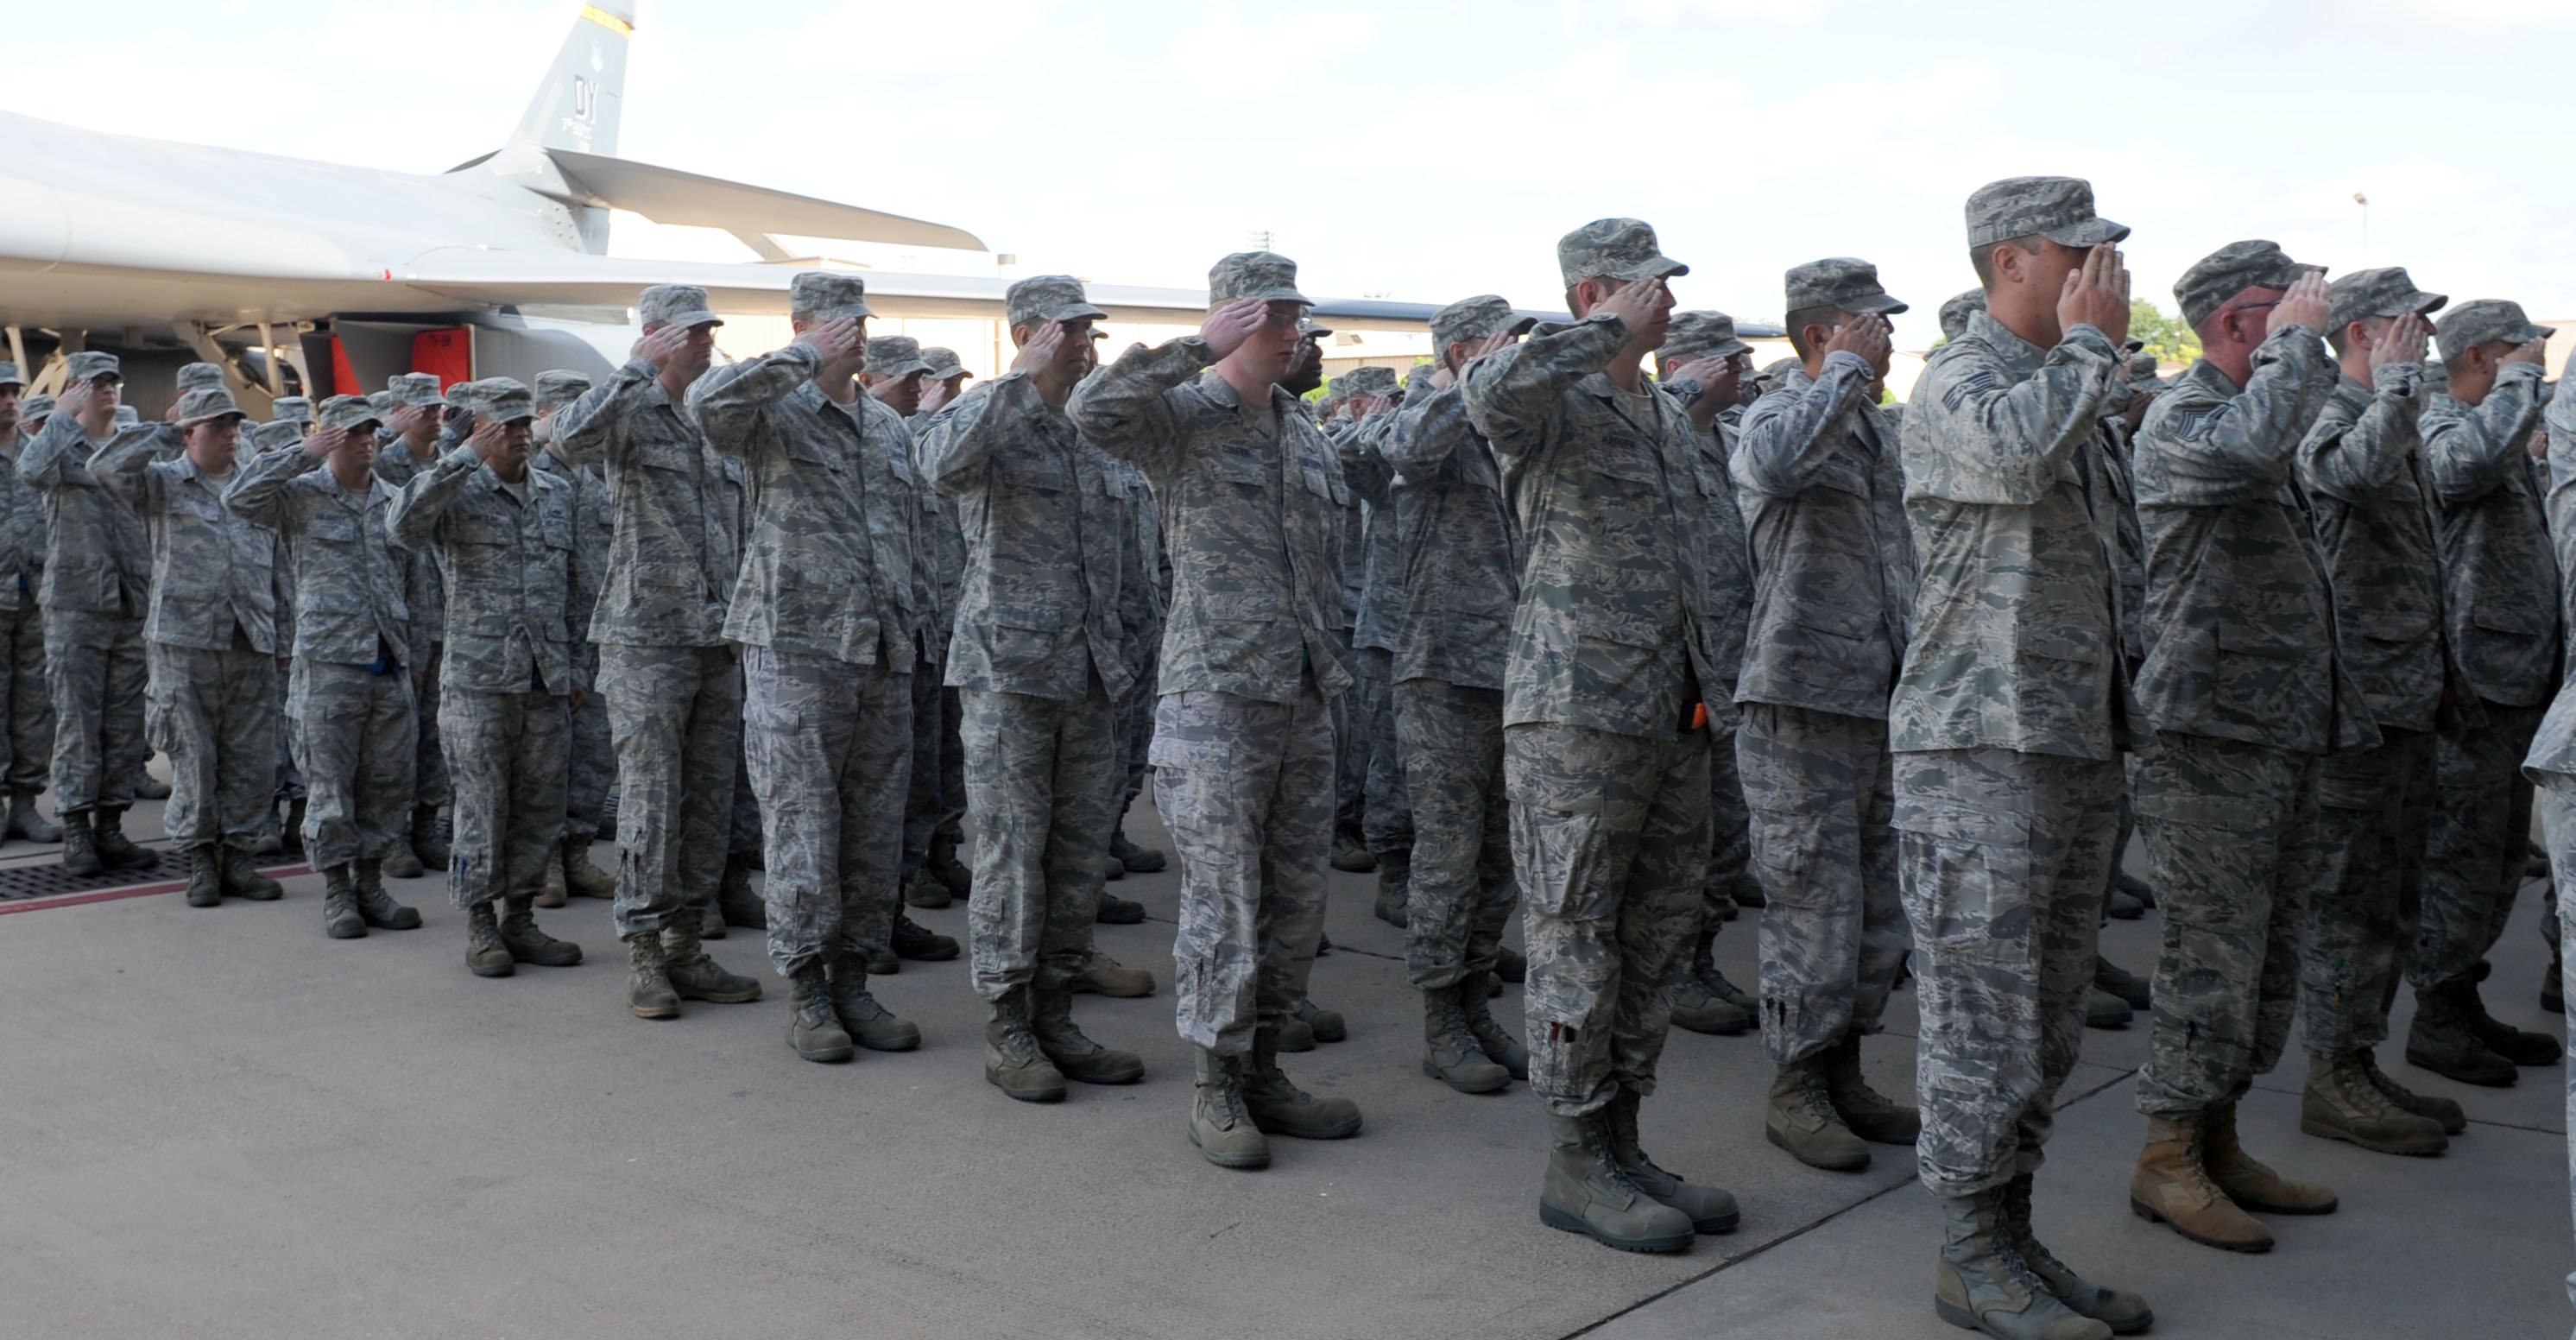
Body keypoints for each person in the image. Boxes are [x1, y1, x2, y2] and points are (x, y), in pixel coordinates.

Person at [1897, 177, 2150, 1338]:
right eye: (2080, 257)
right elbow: (2011, 461)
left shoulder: (2067, 388)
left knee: (2045, 1022)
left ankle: (2011, 1227)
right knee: (1980, 1023)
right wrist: (2094, 355)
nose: (2103, 281)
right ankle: (1965, 1254)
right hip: (1978, 754)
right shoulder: (1965, 380)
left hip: (2067, 743)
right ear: (2013, 261)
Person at [1461, 218, 1744, 1254]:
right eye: (1645, 286)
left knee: (1654, 931)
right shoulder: (1545, 391)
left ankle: (1623, 1135)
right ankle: (1574, 1156)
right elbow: (1486, 397)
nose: (1664, 301)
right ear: (1593, 291)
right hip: (1576, 707)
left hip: (1672, 706)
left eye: (1666, 285)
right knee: (1575, 932)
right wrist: (1593, 332)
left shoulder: (1658, 411)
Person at [1069, 251, 1364, 1172]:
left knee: (1291, 899)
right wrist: (1192, 349)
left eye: (1296, 317)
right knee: (1223, 903)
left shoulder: (1302, 429)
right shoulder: (1181, 417)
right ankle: (1217, 1081)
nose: (1294, 334)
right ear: (1235, 319)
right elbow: (1094, 412)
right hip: (1217, 694)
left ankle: (1267, 1066)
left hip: (1304, 690)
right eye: (1275, 317)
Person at [2124, 243, 2357, 1255]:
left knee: (2264, 958)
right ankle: (2165, 1152)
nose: (2310, 321)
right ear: (2233, 324)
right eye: (2285, 308)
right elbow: (2251, 451)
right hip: (2207, 733)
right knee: (2209, 956)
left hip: (2276, 729)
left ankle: (2217, 1136)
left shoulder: (2267, 411)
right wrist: (2301, 348)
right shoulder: (2185, 420)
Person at [688, 272, 933, 1062]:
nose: (855, 333)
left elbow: (910, 536)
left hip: (881, 652)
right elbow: (709, 408)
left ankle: (854, 978)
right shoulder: (771, 410)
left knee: (871, 830)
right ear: (801, 324)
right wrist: (798, 355)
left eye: (862, 320)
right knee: (801, 826)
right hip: (797, 647)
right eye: (837, 321)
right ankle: (807, 990)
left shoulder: (887, 428)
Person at [917, 274, 1149, 1103]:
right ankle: (1009, 1024)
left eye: (1090, 330)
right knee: (1014, 854)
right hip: (1010, 672)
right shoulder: (988, 414)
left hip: (1094, 671)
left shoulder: (1100, 431)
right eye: (1071, 330)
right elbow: (939, 467)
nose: (1087, 344)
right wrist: (1019, 373)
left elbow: (1134, 551)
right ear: (1029, 332)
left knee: (1079, 852)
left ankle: (1056, 1012)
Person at [1733, 258, 1922, 1172]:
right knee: (1811, 903)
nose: (1886, 339)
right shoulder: (1779, 412)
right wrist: (1842, 376)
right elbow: (1771, 467)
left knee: (1877, 908)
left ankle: (1842, 1063)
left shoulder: (1875, 432)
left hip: (1880, 693)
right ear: (1822, 333)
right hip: (1799, 698)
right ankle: (1794, 1081)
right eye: (1870, 325)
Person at [2292, 266, 2467, 1154]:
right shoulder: (2329, 415)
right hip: (2354, 703)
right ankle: (2329, 1073)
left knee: (2391, 893)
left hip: (2403, 694)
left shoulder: (2390, 416)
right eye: (2408, 324)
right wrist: (2395, 392)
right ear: (2361, 334)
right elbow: (2348, 481)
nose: (2424, 340)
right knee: (2344, 897)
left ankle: (2357, 1059)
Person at [550, 284, 761, 1020]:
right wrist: (633, 368)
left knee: (708, 801)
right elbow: (565, 441)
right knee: (650, 803)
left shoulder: (719, 419)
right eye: (691, 332)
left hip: (717, 637)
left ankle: (686, 946)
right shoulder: (629, 408)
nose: (707, 342)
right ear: (656, 336)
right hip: (645, 638)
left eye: (710, 330)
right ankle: (643, 953)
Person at [1373, 294, 1537, 1096]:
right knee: (1449, 854)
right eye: (1502, 346)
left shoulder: (1513, 432)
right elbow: (1404, 448)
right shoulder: (1430, 416)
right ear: (1467, 349)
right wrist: (1461, 378)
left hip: (1521, 670)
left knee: (1501, 857)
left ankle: (1477, 1001)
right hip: (1444, 670)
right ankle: (1442, 1019)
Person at [384, 377, 588, 979]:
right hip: (479, 680)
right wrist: (463, 456)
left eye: (525, 424)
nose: (520, 436)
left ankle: (519, 917)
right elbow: (403, 525)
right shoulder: (457, 490)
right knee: (480, 805)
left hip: (543, 678)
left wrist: (574, 666)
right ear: (479, 429)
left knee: (538, 806)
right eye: (505, 426)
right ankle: (480, 921)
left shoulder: (555, 493)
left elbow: (575, 587)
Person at [2412, 298, 2565, 1085]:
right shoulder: (2438, 418)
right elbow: (2458, 471)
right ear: (2479, 358)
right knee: (2462, 858)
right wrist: (2517, 387)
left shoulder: (2497, 428)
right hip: (2473, 681)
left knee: (2502, 855)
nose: (2536, 356)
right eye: (2520, 347)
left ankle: (2461, 997)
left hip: (2514, 677)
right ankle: (2435, 1015)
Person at [224, 395, 425, 940]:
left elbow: (417, 585)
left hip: (389, 662)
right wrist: (301, 452)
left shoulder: (394, 499)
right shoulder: (303, 495)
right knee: (331, 788)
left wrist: (417, 659)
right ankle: (338, 891)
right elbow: (239, 499)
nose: (366, 441)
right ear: (331, 437)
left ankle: (371, 884)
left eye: (371, 432)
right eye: (353, 432)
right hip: (328, 662)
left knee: (385, 784)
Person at [92, 385, 287, 907]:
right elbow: (105, 469)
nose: (231, 434)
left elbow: (280, 568)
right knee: (195, 757)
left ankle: (239, 858)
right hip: (185, 641)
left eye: (234, 425)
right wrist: (162, 430)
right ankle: (201, 859)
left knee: (250, 757)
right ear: (190, 433)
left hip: (251, 639)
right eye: (218, 425)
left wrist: (284, 637)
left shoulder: (253, 487)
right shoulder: (162, 483)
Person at [1651, 312, 1762, 1038]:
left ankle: (1698, 956)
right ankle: (1668, 973)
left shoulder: (1731, 440)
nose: (1742, 370)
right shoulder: (1655, 436)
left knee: (1726, 833)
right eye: (1726, 359)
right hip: (1672, 673)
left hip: (1732, 667)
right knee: (1675, 842)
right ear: (1682, 367)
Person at [18, 352, 156, 875]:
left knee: (124, 723)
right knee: (78, 720)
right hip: (76, 604)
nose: (108, 391)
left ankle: (111, 826)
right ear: (75, 389)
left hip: (131, 601)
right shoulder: (57, 445)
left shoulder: (131, 444)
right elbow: (30, 471)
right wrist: (60, 414)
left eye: (113, 382)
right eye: (96, 384)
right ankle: (76, 827)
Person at [851, 333, 963, 973]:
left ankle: (890, 910)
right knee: (871, 797)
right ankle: (858, 929)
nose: (918, 391)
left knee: (918, 785)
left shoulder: (906, 441)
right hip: (871, 643)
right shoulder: (856, 439)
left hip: (925, 633)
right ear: (871, 381)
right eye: (905, 382)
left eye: (923, 380)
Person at [528, 369, 620, 907]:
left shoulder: (600, 481)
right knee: (545, 761)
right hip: (549, 646)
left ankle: (576, 852)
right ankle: (543, 863)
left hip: (598, 640)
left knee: (592, 758)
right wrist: (557, 660)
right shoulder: (532, 481)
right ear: (543, 419)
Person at [371, 371, 456, 882]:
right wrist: (386, 427)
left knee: (435, 737)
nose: (433, 416)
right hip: (404, 611)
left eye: (436, 407)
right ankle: (394, 836)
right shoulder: (386, 460)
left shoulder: (450, 459)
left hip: (449, 611)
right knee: (398, 739)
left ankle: (427, 828)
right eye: (422, 409)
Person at [906, 344, 978, 907]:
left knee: (951, 755)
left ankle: (943, 851)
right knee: (915, 761)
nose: (950, 394)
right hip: (915, 628)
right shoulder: (902, 435)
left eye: (956, 386)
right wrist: (926, 415)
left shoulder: (960, 438)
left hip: (958, 622)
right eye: (941, 385)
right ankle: (911, 869)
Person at [0, 363, 57, 844]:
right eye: (1, 393)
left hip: (36, 596)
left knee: (33, 704)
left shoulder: (35, 455)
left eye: (15, 392)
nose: (10, 400)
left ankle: (24, 803)